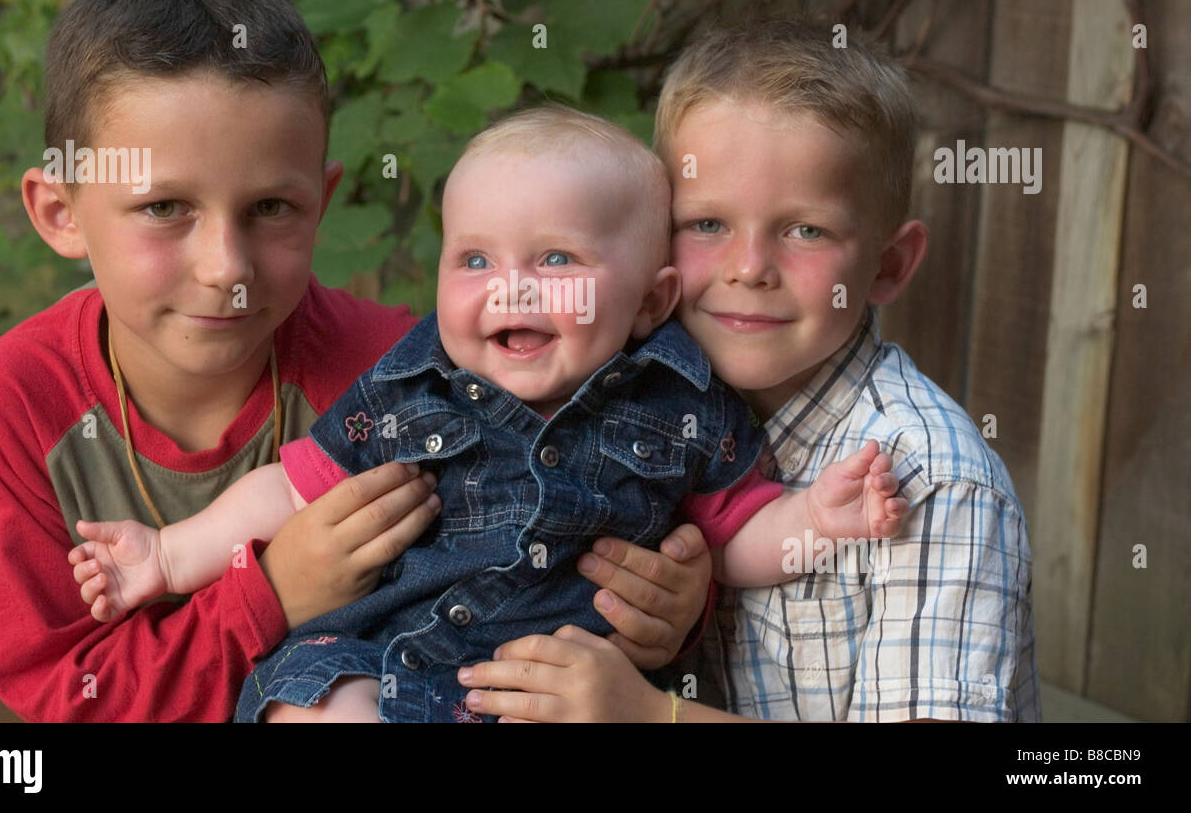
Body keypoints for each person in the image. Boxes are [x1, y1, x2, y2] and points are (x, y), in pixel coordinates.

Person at [0, 0, 714, 722]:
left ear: (322, 201)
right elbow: (66, 695)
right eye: (164, 208)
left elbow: (594, 499)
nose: (227, 266)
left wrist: (680, 600)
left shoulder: (406, 367)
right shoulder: (17, 397)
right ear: (61, 212)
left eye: (271, 208)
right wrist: (275, 593)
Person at [69, 106, 907, 722]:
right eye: (474, 258)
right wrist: (171, 555)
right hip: (386, 659)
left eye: (555, 259)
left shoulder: (680, 404)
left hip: (556, 690)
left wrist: (814, 520)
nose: (511, 286)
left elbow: (732, 532)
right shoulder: (409, 386)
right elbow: (287, 493)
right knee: (321, 704)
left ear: (651, 300)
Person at [459, 20, 1041, 723]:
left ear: (888, 263)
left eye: (805, 230)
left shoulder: (928, 476)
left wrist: (652, 716)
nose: (748, 268)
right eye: (707, 223)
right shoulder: (607, 394)